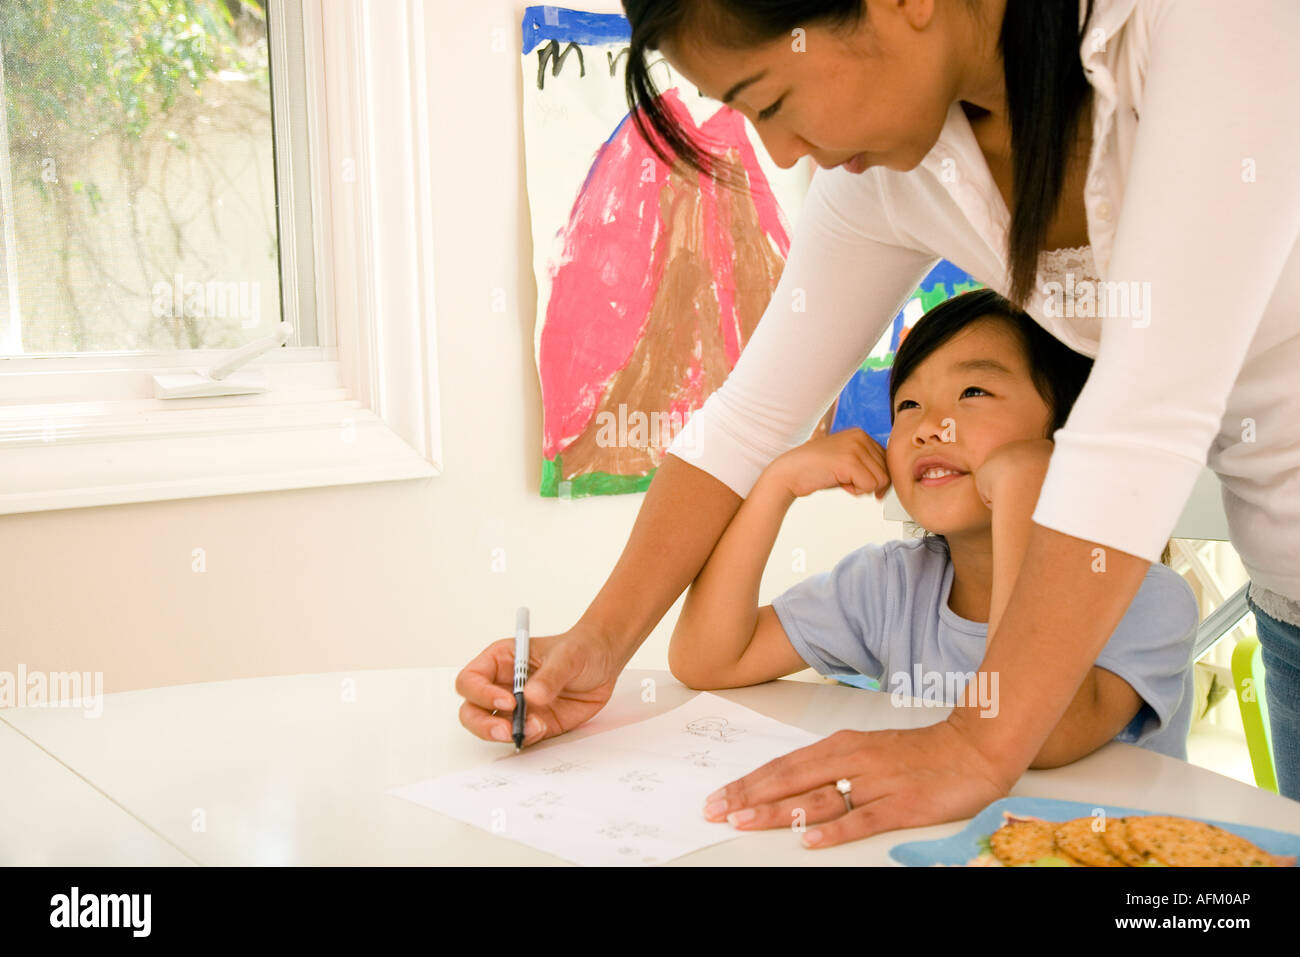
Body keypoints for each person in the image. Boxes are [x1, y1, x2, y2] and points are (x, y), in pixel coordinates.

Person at [457, 0, 1300, 846]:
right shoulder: (893, 172)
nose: (779, 151)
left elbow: (1141, 419)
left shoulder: (1204, 23)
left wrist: (975, 741)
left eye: (770, 101)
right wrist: (597, 644)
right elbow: (750, 418)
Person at [668, 290, 1199, 785]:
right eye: (908, 406)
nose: (929, 428)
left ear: (1071, 430)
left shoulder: (1144, 597)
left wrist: (1027, 489)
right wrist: (775, 485)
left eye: (973, 391)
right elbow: (709, 661)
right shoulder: (891, 585)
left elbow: (1036, 734)